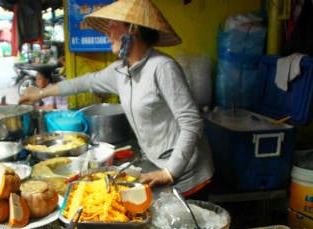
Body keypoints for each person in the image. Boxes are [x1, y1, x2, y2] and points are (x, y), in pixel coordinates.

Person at [19, 0, 214, 197]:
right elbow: (84, 82)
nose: (107, 33)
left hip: (186, 172)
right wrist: (40, 93)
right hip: (157, 163)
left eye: (113, 25)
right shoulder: (121, 71)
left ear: (133, 29)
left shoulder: (162, 67)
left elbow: (191, 122)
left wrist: (170, 172)